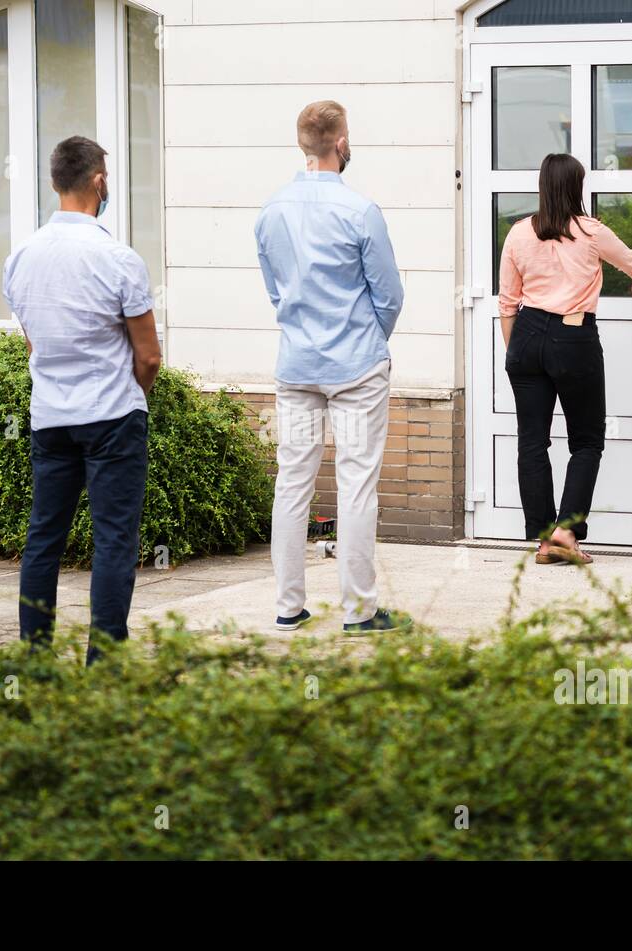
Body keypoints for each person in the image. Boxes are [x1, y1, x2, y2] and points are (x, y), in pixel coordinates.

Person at [3, 136, 161, 665]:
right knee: (114, 540)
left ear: (54, 183)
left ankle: (35, 655)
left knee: (43, 537)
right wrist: (132, 399)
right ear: (99, 181)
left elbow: (33, 341)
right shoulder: (118, 258)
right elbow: (150, 357)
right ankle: (105, 662)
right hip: (113, 416)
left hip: (50, 418)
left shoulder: (20, 257)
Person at [255, 100, 409, 635]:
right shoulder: (360, 211)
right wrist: (368, 340)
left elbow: (276, 291)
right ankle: (359, 612)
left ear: (304, 145)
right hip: (356, 368)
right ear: (341, 143)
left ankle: (287, 607)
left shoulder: (271, 211)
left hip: (296, 366)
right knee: (357, 486)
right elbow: (389, 295)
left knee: (292, 483)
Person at [498, 153, 632, 566]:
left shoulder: (517, 233)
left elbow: (507, 303)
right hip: (573, 336)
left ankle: (545, 539)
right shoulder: (590, 231)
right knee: (586, 439)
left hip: (527, 335)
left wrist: (515, 354)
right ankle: (566, 531)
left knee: (532, 441)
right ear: (575, 187)